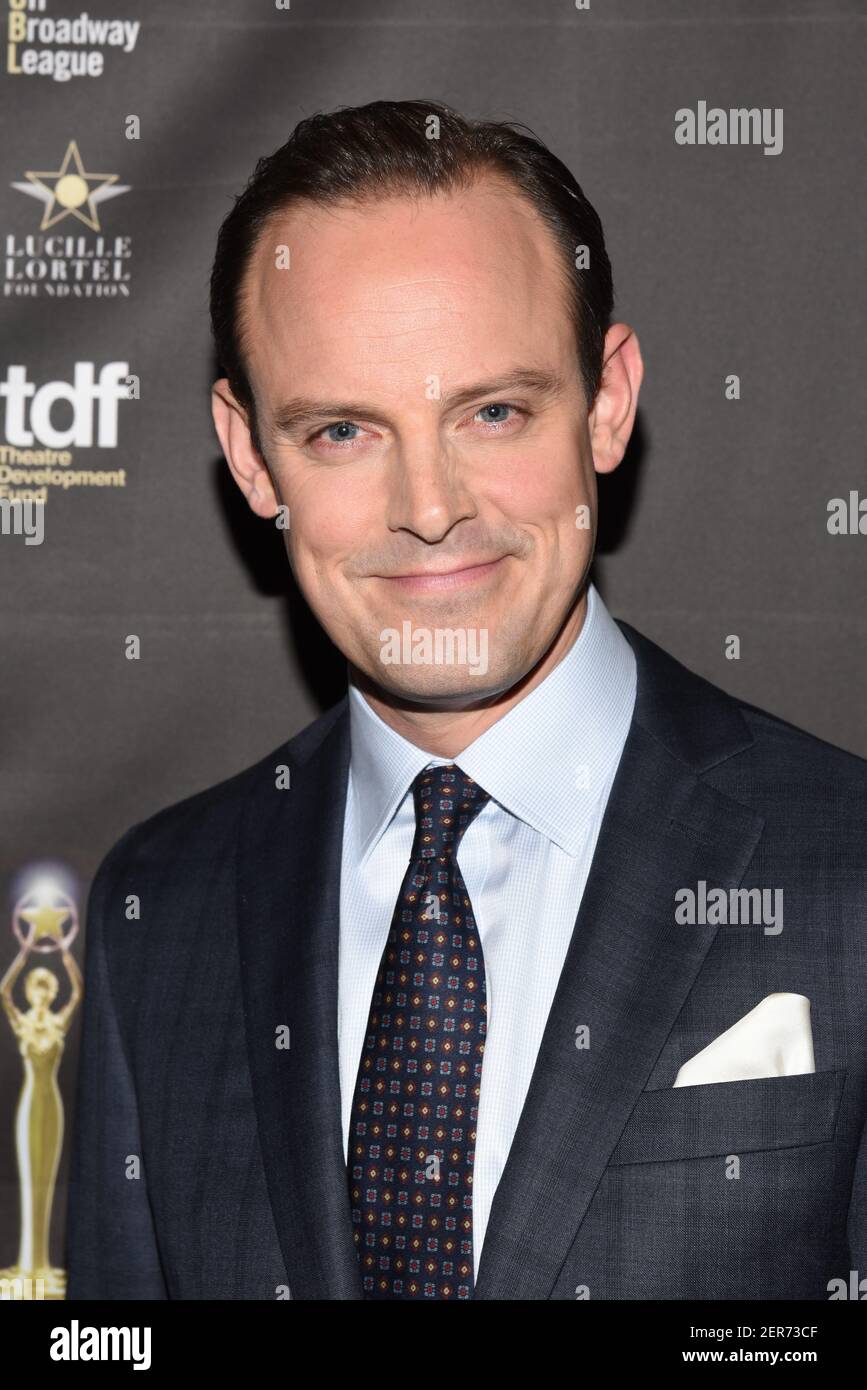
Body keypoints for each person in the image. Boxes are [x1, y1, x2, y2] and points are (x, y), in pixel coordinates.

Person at [65, 99, 867, 1301]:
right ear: (249, 454)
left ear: (606, 402)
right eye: (343, 430)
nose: (429, 505)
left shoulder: (845, 867)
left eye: (493, 412)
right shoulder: (160, 910)